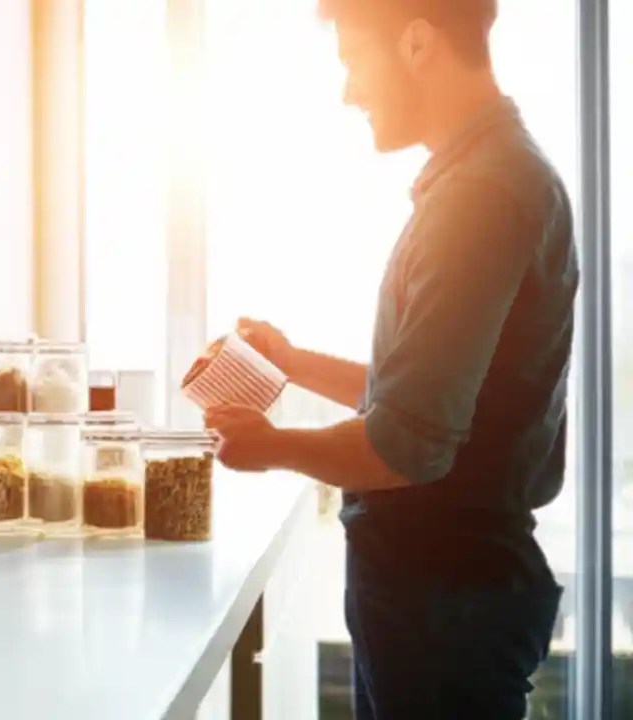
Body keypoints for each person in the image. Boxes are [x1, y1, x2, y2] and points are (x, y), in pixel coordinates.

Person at [205, 1, 577, 718]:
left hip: (444, 598)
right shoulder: (490, 176)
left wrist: (269, 446)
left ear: (415, 44)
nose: (348, 91)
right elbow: (425, 397)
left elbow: (409, 445)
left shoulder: (481, 195)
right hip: (452, 593)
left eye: (352, 61)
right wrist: (290, 361)